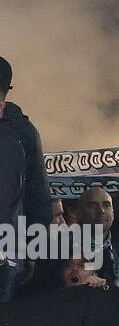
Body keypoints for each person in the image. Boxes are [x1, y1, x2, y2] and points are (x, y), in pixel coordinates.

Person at [0, 55, 52, 301]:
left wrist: (31, 252)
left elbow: (39, 202)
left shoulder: (23, 134)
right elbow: (40, 202)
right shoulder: (26, 133)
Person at [78, 187, 119, 287]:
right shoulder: (64, 250)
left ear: (113, 213)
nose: (101, 210)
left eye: (106, 205)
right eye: (92, 206)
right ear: (78, 213)